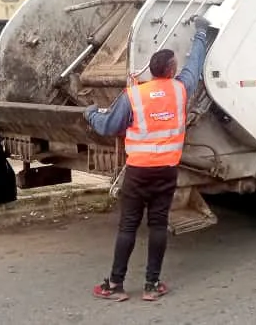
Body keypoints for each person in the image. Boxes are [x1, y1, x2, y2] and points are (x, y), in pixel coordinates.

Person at [87, 15, 209, 302]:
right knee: (157, 225)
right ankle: (152, 286)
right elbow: (196, 65)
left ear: (151, 71)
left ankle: (115, 285)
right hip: (166, 172)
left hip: (138, 172)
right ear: (171, 70)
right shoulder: (180, 90)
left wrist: (90, 112)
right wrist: (202, 32)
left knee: (128, 226)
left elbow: (107, 127)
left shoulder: (134, 96)